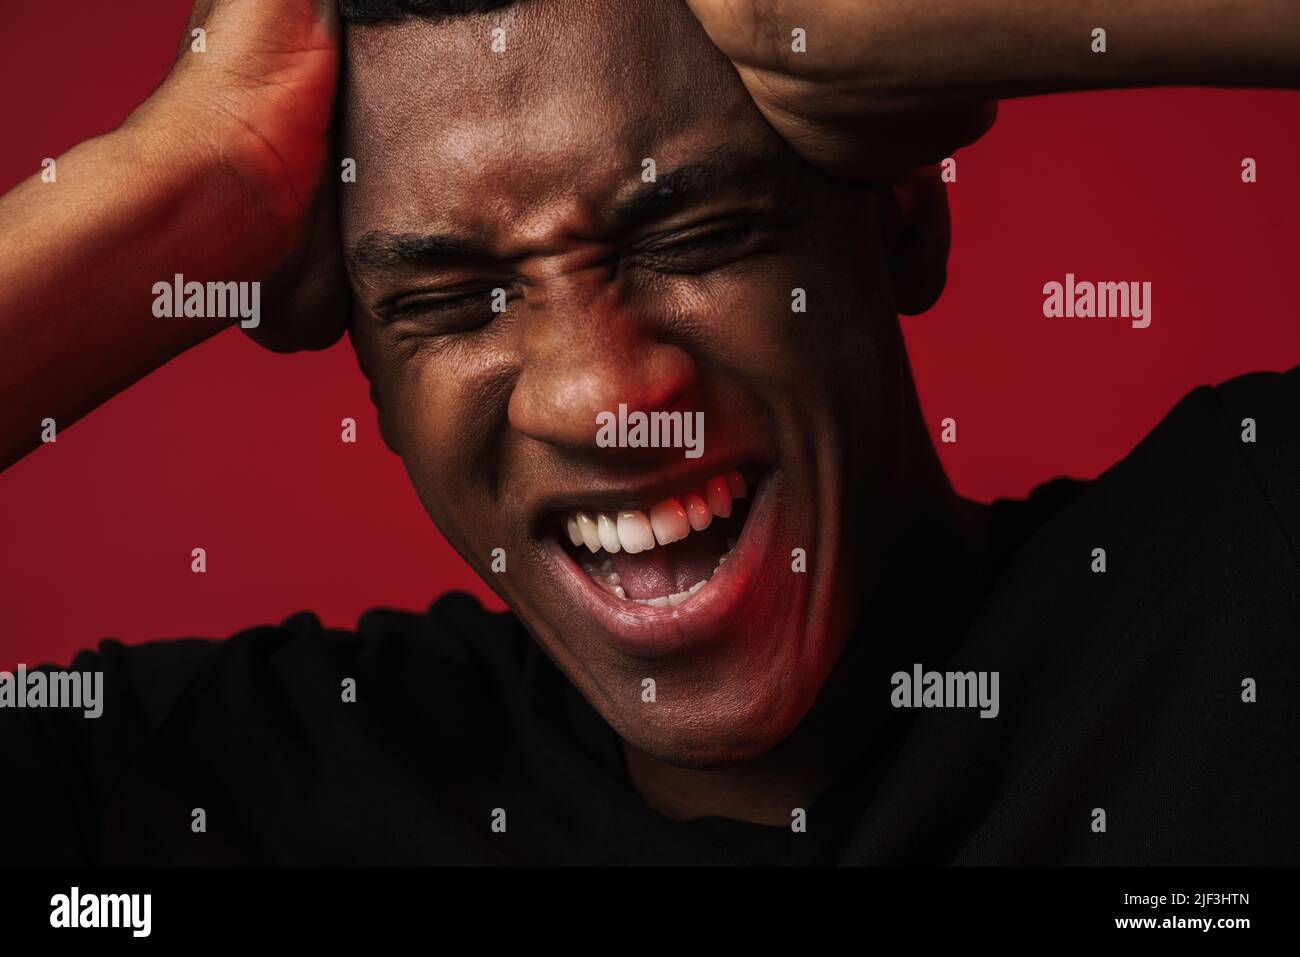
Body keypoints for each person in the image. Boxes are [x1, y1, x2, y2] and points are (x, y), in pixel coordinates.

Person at [0, 0, 1296, 865]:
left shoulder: (1247, 598)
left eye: (694, 237)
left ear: (902, 221)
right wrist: (181, 191)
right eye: (449, 301)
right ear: (374, 383)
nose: (598, 393)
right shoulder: (237, 793)